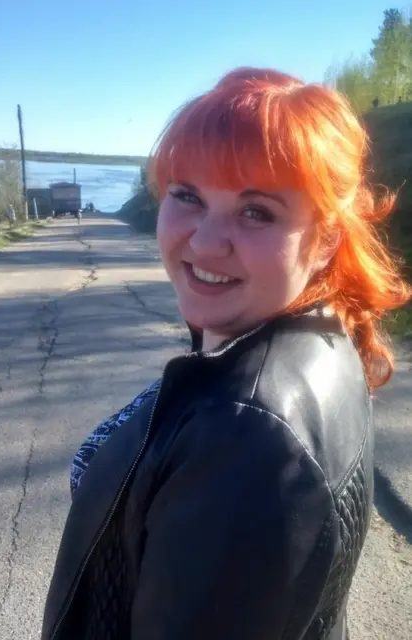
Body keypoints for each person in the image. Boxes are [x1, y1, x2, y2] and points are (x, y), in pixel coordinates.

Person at [41, 68, 411, 640]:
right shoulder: (319, 335)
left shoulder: (248, 436)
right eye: (187, 196)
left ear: (325, 241)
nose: (206, 242)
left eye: (256, 211)